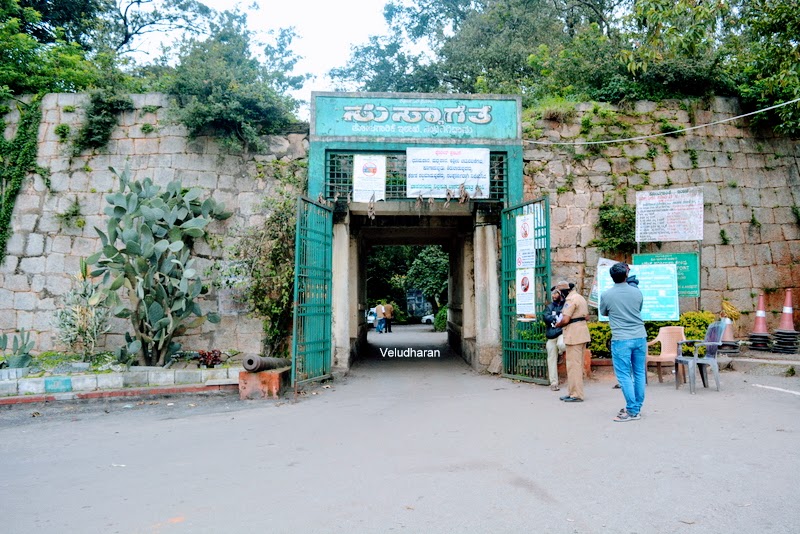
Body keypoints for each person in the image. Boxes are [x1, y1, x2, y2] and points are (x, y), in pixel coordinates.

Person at [599, 262, 647, 422]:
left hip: (621, 339)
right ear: (626, 275)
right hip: (640, 336)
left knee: (625, 375)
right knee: (639, 373)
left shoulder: (607, 295)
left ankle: (632, 411)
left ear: (612, 277)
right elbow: (638, 309)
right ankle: (636, 407)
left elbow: (604, 312)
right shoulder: (637, 292)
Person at [554, 280, 591, 402]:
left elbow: (565, 319)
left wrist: (557, 325)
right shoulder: (580, 297)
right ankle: (572, 392)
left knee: (573, 366)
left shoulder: (570, 300)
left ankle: (576, 394)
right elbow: (587, 316)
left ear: (564, 291)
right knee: (577, 365)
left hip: (574, 335)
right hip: (582, 333)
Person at [542, 287, 566, 391]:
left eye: (556, 294)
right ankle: (554, 382)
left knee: (561, 344)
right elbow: (545, 316)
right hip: (551, 334)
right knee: (551, 357)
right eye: (553, 294)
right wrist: (553, 317)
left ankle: (560, 352)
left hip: (561, 332)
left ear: (560, 294)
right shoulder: (549, 307)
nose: (553, 296)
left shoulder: (565, 305)